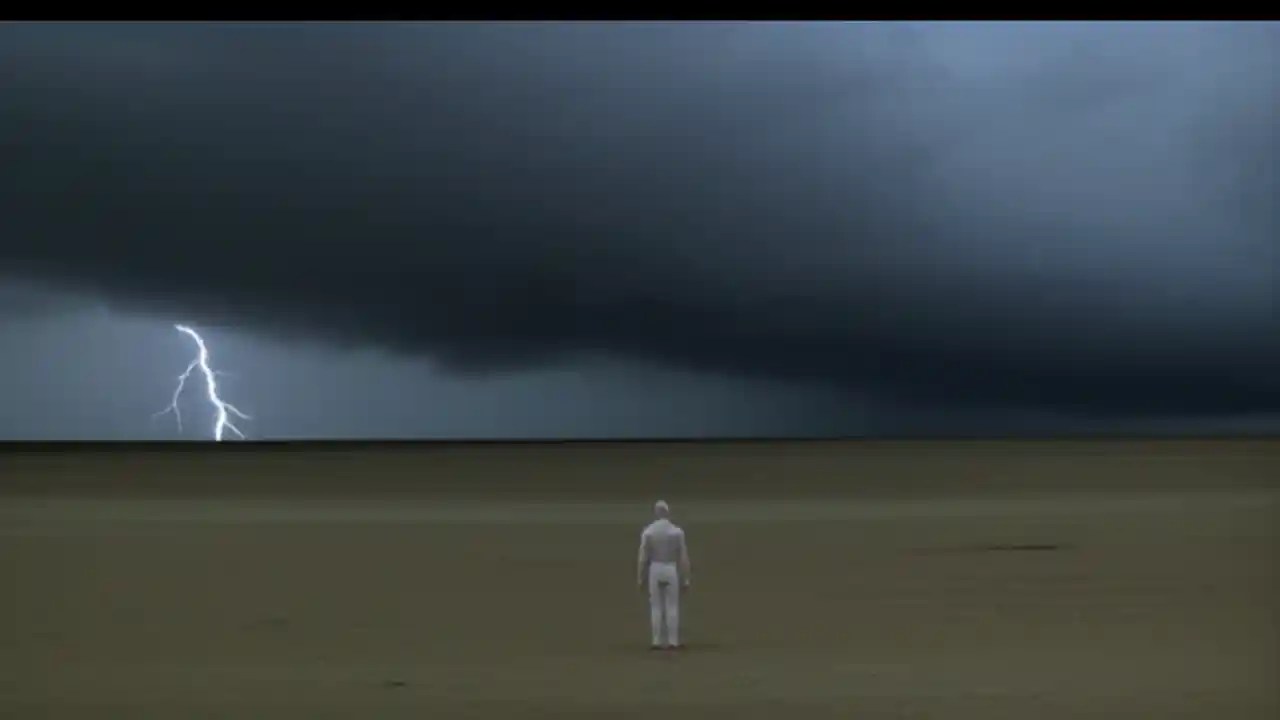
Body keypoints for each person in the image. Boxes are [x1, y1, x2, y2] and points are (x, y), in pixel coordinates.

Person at [637, 499, 691, 650]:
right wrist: (685, 578)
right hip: (670, 568)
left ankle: (656, 640)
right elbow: (683, 558)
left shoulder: (648, 532)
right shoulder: (677, 532)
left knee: (655, 606)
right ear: (668, 512)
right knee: (672, 605)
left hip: (655, 568)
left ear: (656, 512)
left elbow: (642, 558)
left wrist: (641, 577)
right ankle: (673, 641)